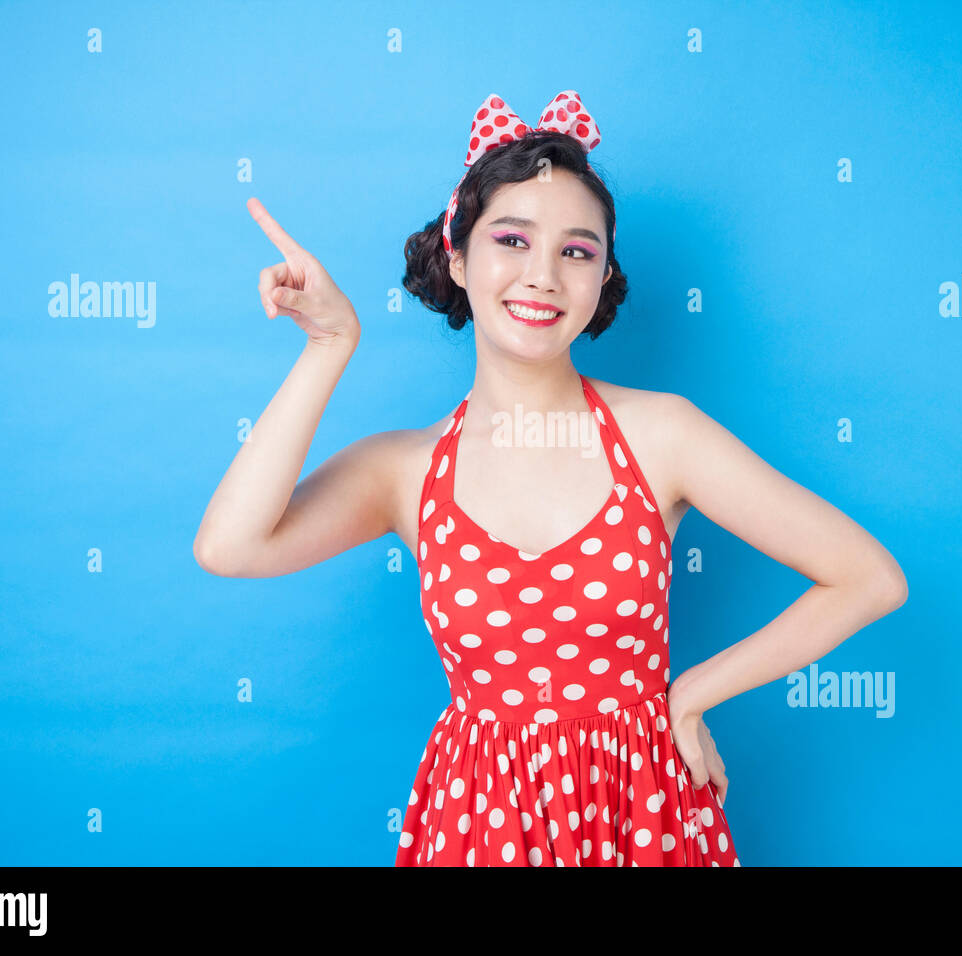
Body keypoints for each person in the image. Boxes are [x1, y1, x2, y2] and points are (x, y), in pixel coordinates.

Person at [193, 90, 908, 867]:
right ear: (458, 257)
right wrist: (328, 346)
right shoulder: (405, 469)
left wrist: (692, 694)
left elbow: (868, 578)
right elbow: (230, 547)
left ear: (602, 277)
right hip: (480, 827)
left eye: (577, 251)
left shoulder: (663, 435)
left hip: (644, 818)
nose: (542, 276)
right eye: (512, 239)